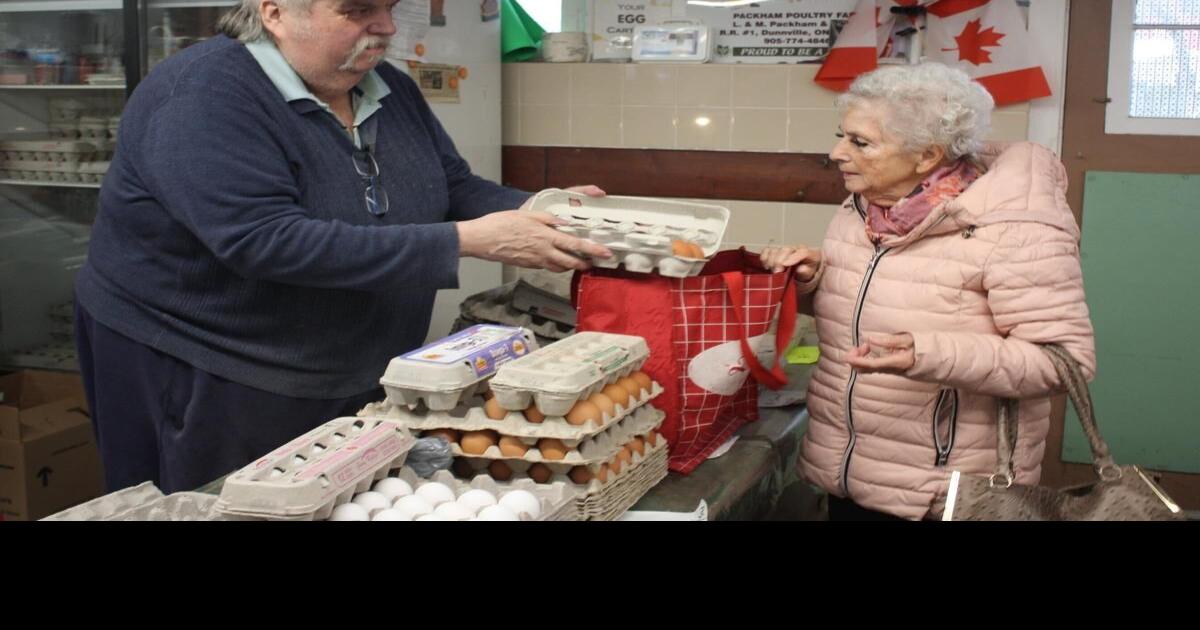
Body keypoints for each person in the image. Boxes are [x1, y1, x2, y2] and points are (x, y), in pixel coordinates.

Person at [73, 0, 610, 493]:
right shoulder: (201, 96)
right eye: (356, 10)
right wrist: (465, 241)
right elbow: (265, 240)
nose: (387, 26)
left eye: (390, 7)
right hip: (212, 363)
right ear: (274, 12)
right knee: (232, 500)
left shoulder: (386, 86)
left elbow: (449, 185)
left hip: (349, 360)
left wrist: (541, 210)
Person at [760, 62, 1096, 521]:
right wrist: (812, 281)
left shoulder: (1015, 227)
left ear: (926, 156)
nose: (837, 153)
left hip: (947, 494)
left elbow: (1065, 362)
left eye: (860, 142)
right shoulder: (861, 210)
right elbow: (872, 308)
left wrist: (928, 354)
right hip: (848, 475)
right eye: (842, 136)